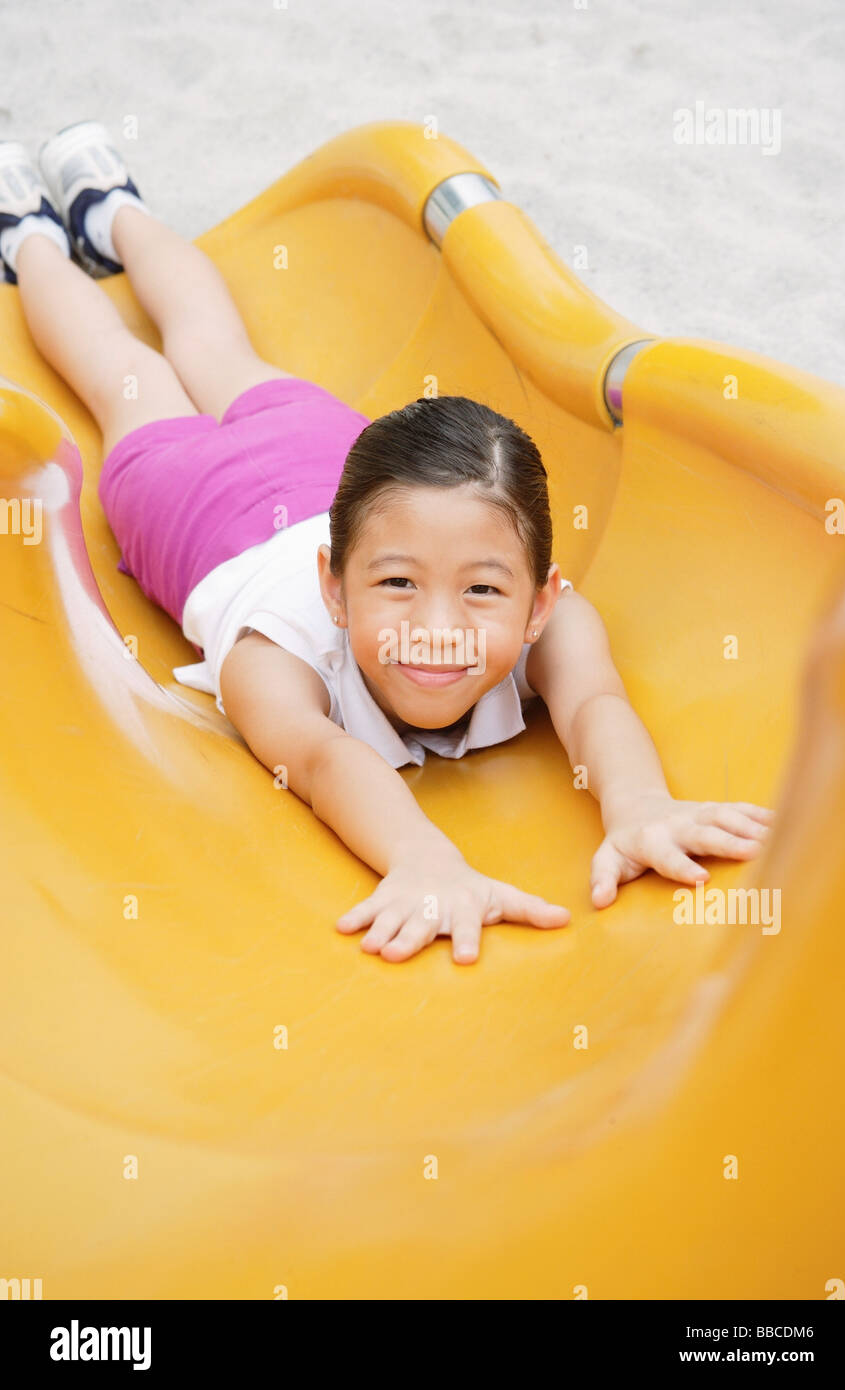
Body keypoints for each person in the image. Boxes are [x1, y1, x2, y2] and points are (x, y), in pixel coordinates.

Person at [0, 122, 775, 965]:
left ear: (542, 599)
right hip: (189, 493)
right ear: (332, 586)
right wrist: (424, 859)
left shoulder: (551, 622)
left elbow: (595, 705)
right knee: (127, 368)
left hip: (330, 457)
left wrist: (640, 806)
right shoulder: (277, 656)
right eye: (396, 586)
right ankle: (39, 236)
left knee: (213, 346)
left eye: (483, 590)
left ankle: (109, 209)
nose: (433, 625)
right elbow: (324, 757)